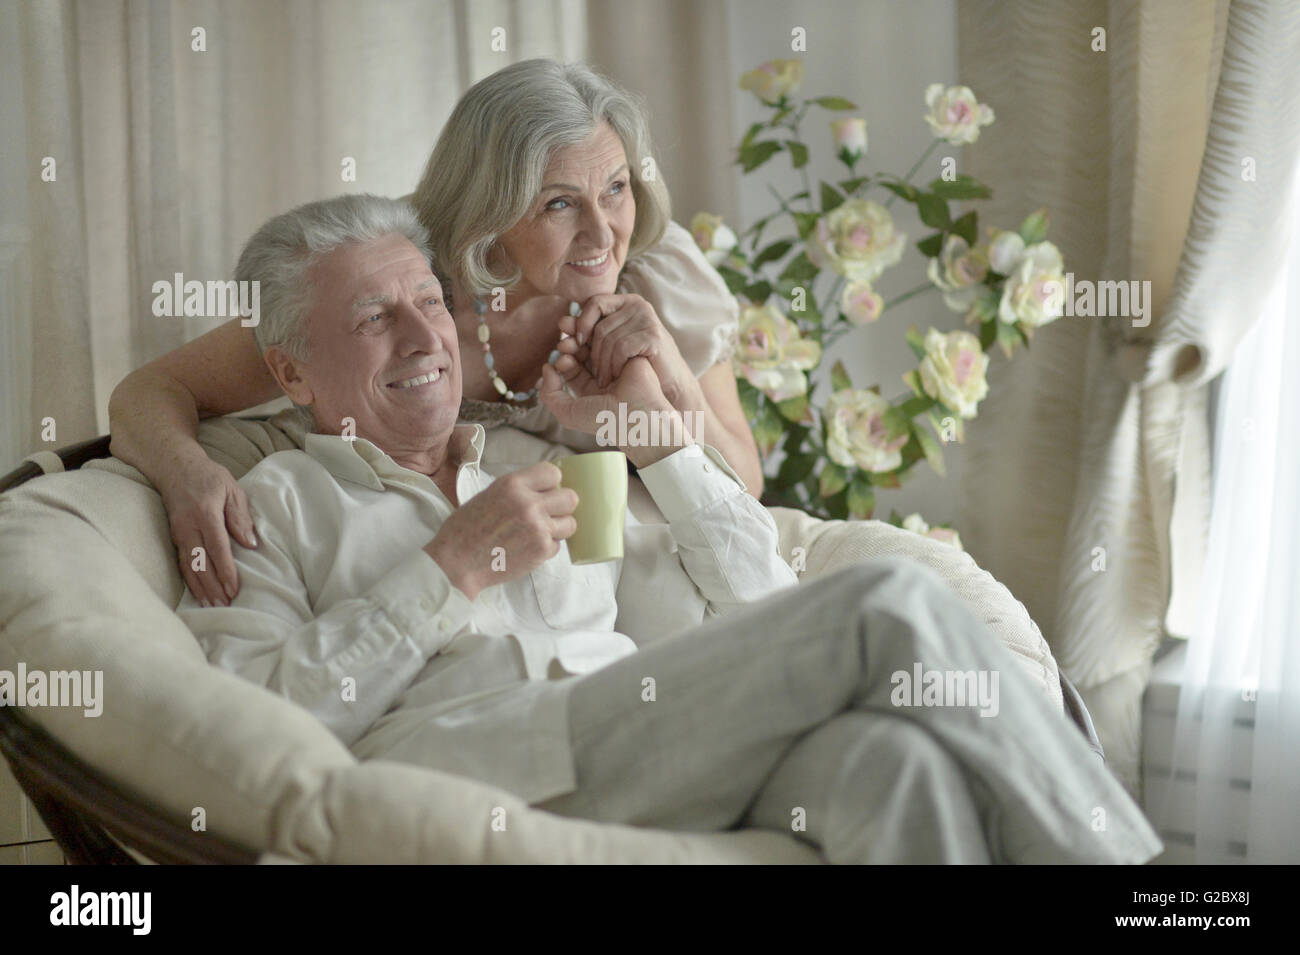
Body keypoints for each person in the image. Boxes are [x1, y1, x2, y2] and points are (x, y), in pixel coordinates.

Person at [175, 193, 1165, 864]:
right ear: (293, 372)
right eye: (370, 317)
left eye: (428, 301)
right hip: (479, 771)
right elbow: (254, 725)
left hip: (650, 744)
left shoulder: (534, 460)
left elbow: (761, 602)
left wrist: (652, 443)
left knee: (889, 768)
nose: (422, 335)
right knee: (893, 600)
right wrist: (446, 569)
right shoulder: (266, 504)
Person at [109, 58, 759, 611]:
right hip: (416, 548)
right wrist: (186, 473)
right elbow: (152, 388)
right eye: (559, 203)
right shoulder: (394, 275)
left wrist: (668, 367)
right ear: (490, 207)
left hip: (582, 574)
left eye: (616, 188)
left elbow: (746, 485)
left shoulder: (655, 270)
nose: (602, 232)